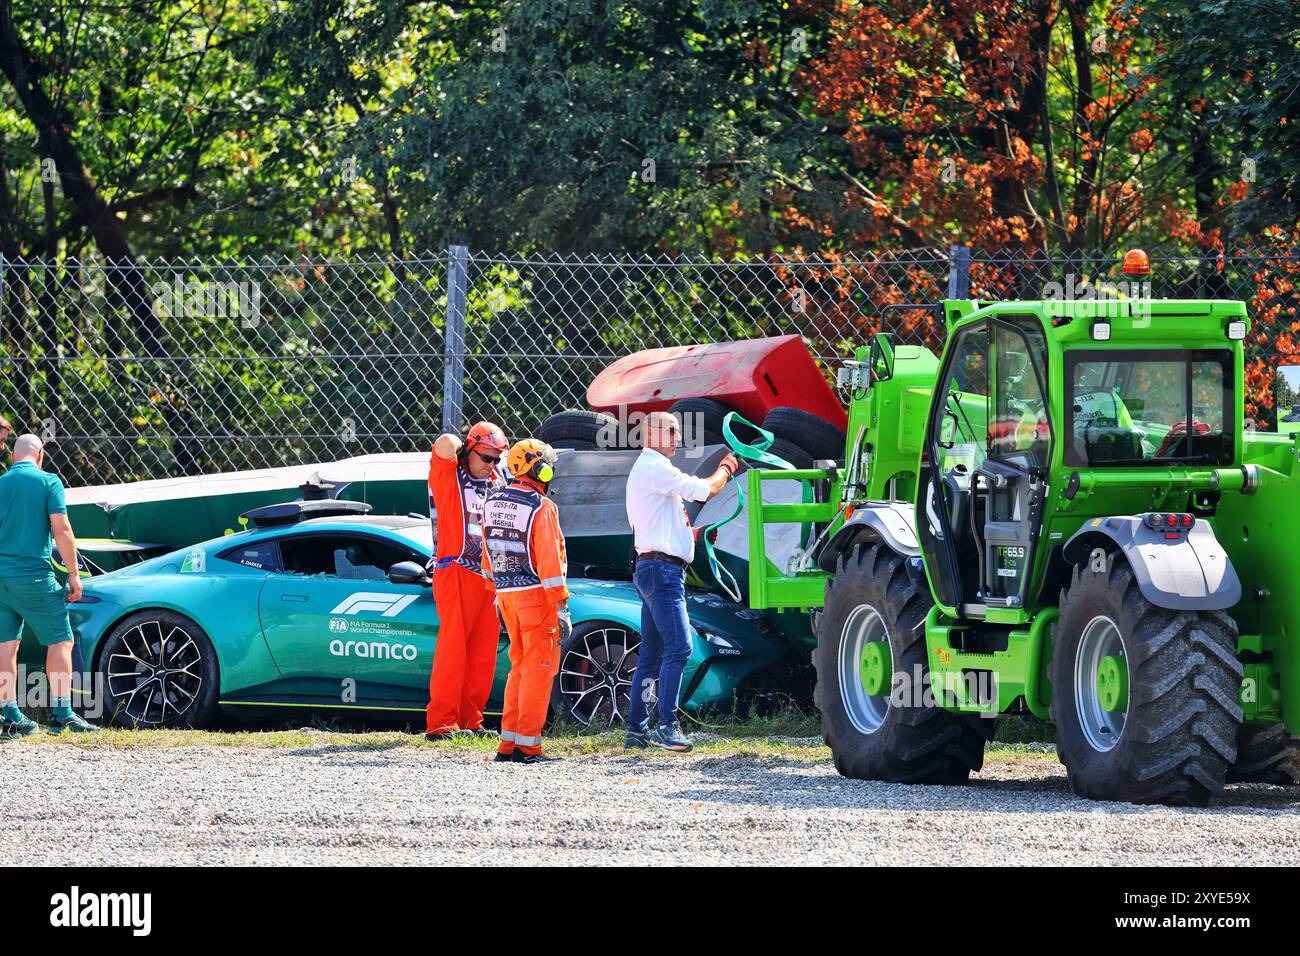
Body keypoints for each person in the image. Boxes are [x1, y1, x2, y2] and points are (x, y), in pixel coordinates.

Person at [624, 411, 737, 752]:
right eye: (671, 431)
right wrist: (727, 469)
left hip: (652, 569)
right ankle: (667, 725)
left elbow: (660, 525)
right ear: (652, 433)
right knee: (681, 647)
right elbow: (702, 490)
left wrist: (695, 535)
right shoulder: (656, 467)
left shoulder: (650, 471)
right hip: (663, 573)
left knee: (652, 653)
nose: (677, 437)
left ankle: (637, 729)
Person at [0, 434, 96, 736]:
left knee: (6, 646)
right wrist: (73, 572)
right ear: (40, 456)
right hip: (34, 577)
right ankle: (62, 714)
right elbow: (62, 528)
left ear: (14, 457)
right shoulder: (48, 482)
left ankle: (10, 716)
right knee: (61, 641)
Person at [481, 439, 568, 764]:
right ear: (540, 469)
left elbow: (488, 556)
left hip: (506, 598)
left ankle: (508, 745)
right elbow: (550, 563)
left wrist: (496, 593)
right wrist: (561, 605)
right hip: (536, 598)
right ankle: (528, 747)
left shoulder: (492, 501)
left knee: (519, 668)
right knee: (539, 670)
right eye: (549, 467)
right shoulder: (541, 507)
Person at [424, 421, 508, 741]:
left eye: (496, 460)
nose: (492, 465)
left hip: (487, 577)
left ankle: (471, 720)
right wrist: (464, 445)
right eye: (486, 458)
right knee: (453, 650)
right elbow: (445, 442)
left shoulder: (497, 481)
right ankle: (441, 723)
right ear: (469, 451)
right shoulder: (449, 476)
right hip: (455, 570)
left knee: (483, 654)